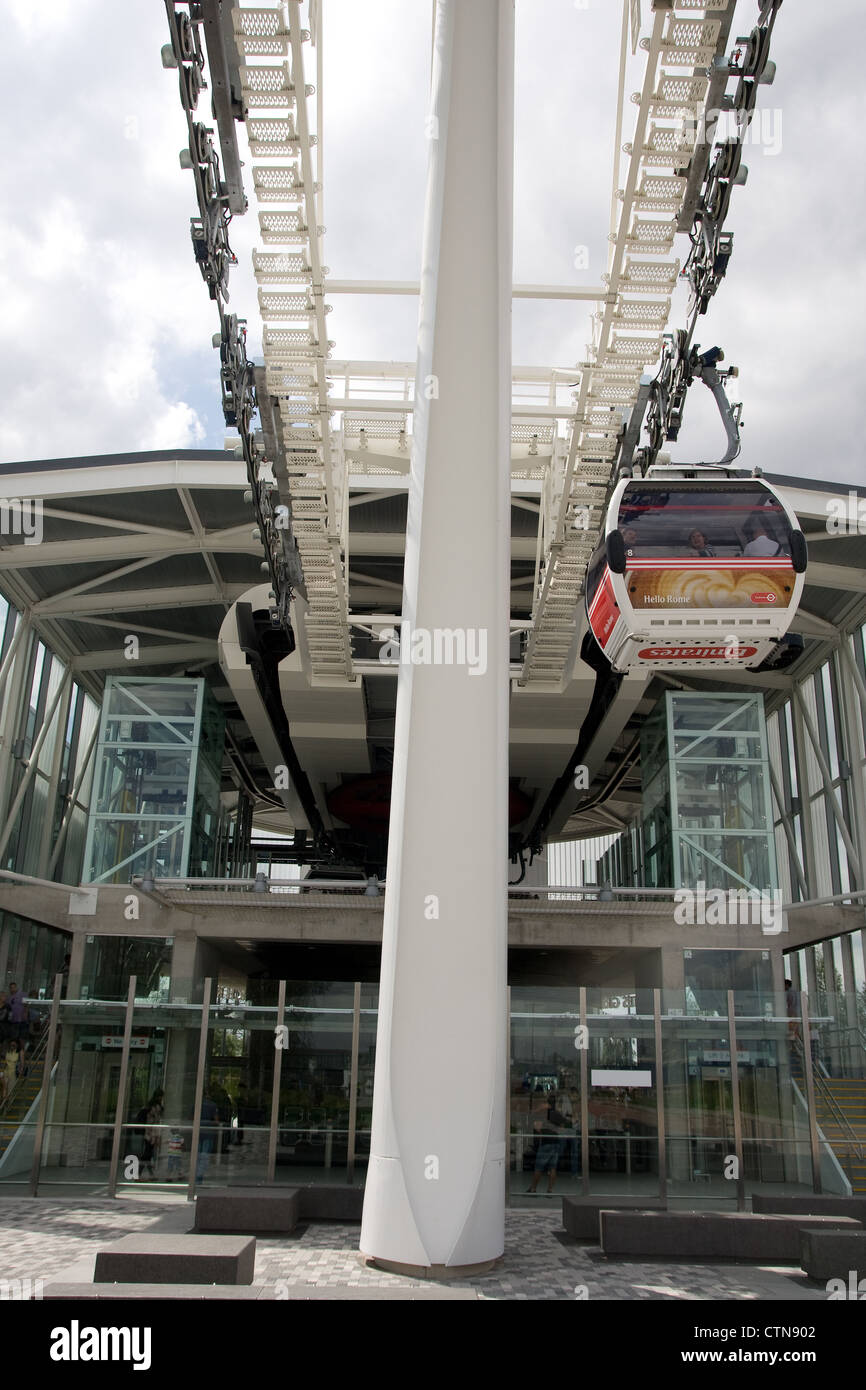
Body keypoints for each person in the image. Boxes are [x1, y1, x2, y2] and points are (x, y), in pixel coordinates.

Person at [526, 1092, 569, 1196]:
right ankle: (550, 1190)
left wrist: (543, 1131)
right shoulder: (556, 1113)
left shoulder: (545, 1113)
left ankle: (533, 1189)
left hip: (546, 1143)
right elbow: (564, 1126)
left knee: (539, 1167)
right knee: (552, 1167)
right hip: (555, 1142)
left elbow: (537, 1126)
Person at [196, 1091, 219, 1183]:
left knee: (197, 1154)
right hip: (208, 1131)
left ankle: (196, 1175)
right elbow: (216, 1120)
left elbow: (191, 1117)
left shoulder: (197, 1103)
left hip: (198, 1131)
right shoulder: (213, 1105)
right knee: (204, 1155)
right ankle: (199, 1177)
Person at [785, 978, 801, 1045]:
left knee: (792, 1031)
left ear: (787, 985)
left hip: (792, 1014)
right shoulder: (796, 993)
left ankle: (794, 1046)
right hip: (797, 1014)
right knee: (796, 1031)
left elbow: (790, 1004)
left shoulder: (788, 993)